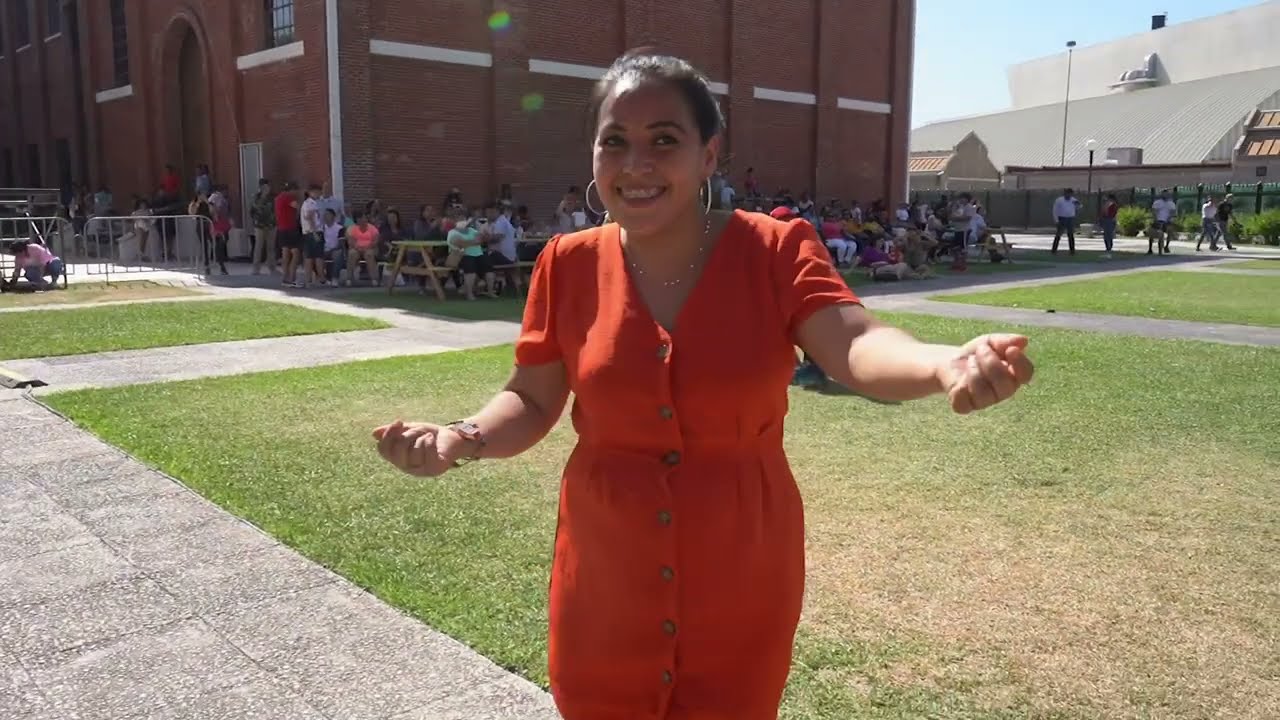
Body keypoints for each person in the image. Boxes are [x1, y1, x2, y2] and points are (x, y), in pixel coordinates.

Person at [371, 51, 1035, 720]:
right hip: (605, 574)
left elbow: (854, 341)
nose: (637, 163)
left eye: (665, 140)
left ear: (708, 156)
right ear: (594, 156)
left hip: (742, 568)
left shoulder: (775, 249)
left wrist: (943, 364)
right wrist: (461, 437)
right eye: (615, 142)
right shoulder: (566, 264)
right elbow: (533, 397)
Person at [275, 182, 303, 287]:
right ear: (292, 190)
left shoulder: (278, 198)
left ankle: (285, 278)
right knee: (295, 253)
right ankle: (292, 278)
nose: (297, 193)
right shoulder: (288, 197)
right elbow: (298, 207)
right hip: (290, 228)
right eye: (296, 191)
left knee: (285, 254)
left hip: (281, 228)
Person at [344, 211, 381, 287]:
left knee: (369, 254)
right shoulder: (351, 229)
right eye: (361, 218)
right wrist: (358, 248)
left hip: (370, 248)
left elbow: (376, 240)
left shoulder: (372, 228)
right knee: (352, 254)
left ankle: (374, 279)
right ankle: (349, 279)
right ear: (357, 220)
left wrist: (367, 247)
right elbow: (350, 242)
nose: (364, 219)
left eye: (364, 217)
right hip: (356, 248)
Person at [250, 178, 278, 275]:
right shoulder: (256, 197)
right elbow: (254, 210)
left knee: (271, 247)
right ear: (261, 187)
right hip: (260, 226)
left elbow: (275, 210)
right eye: (264, 186)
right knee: (258, 247)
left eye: (268, 186)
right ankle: (256, 268)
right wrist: (263, 197)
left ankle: (272, 267)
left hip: (271, 225)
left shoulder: (273, 197)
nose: (267, 188)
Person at [1051, 188, 1080, 255]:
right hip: (1062, 218)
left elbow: (1079, 207)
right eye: (1067, 193)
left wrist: (1078, 205)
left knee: (1070, 235)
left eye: (1070, 194)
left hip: (1070, 218)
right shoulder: (1059, 200)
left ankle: (1072, 250)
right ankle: (1054, 250)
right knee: (1058, 234)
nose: (1069, 195)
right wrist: (1056, 220)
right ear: (1065, 193)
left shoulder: (1073, 200)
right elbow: (1055, 210)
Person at [1150, 190, 1177, 255]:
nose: (1165, 195)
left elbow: (1173, 212)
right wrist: (1156, 220)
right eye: (1164, 194)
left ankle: (1166, 246)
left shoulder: (1171, 203)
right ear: (1161, 195)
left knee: (1170, 231)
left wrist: (1169, 219)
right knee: (1153, 234)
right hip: (1158, 220)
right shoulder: (1157, 202)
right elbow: (1154, 212)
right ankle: (1150, 248)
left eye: (1166, 194)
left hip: (1167, 221)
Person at [1099, 193, 1119, 258]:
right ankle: (1107, 246)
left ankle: (1109, 246)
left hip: (1110, 219)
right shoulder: (1106, 204)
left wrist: (1114, 219)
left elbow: (1115, 213)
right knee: (1106, 234)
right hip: (1106, 219)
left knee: (1109, 234)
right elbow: (1103, 211)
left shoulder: (1113, 204)